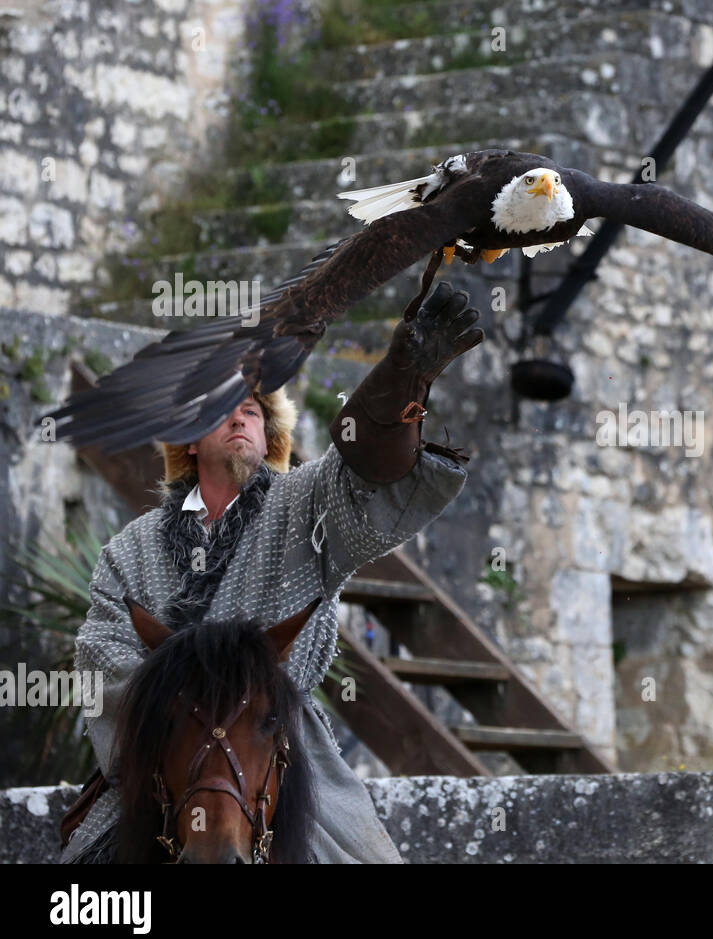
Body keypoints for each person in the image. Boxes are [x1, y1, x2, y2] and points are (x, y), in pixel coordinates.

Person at [60, 281, 483, 863]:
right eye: (222, 410)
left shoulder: (305, 503)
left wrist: (399, 384)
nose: (239, 418)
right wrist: (183, 698)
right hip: (168, 756)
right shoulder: (130, 550)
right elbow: (99, 655)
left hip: (275, 742)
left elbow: (361, 476)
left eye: (253, 410)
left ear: (269, 433)